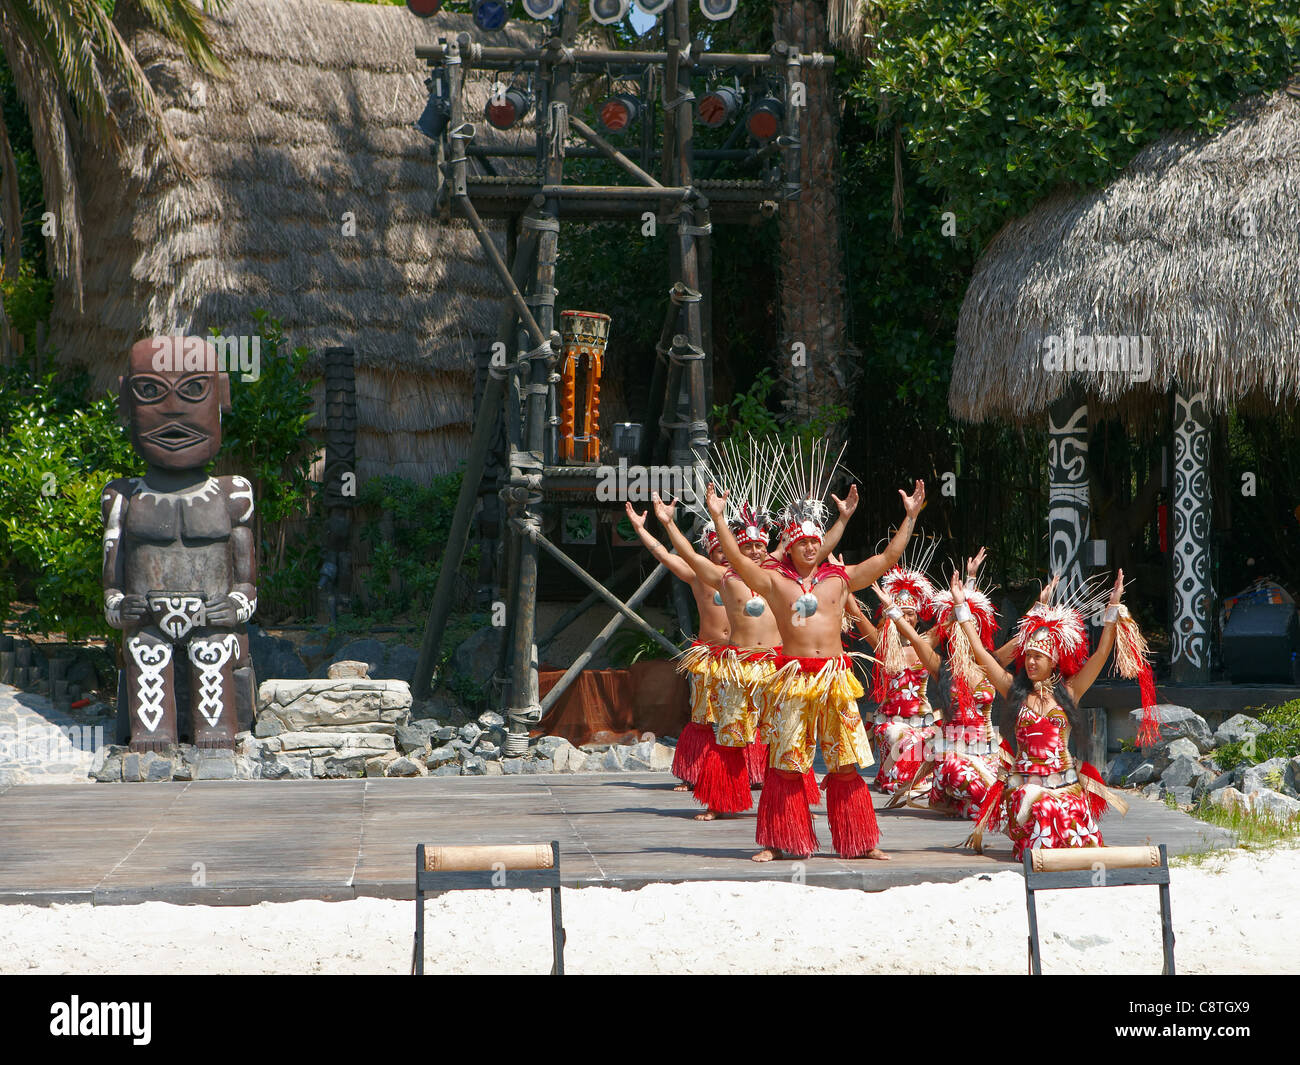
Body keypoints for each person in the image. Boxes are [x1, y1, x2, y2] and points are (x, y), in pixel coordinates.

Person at [707, 477, 926, 862]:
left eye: (814, 541)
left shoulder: (839, 580)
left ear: (822, 544)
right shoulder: (774, 582)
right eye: (802, 542)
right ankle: (779, 841)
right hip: (793, 679)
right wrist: (719, 519)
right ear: (790, 546)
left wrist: (909, 517)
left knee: (844, 763)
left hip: (834, 678)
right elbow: (738, 560)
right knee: (787, 763)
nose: (809, 547)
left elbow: (886, 560)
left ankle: (860, 841)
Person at [654, 489, 857, 816]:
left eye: (760, 545)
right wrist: (669, 524)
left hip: (778, 669)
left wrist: (843, 519)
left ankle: (796, 794)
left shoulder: (778, 574)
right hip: (739, 667)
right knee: (730, 736)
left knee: (789, 735)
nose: (754, 551)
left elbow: (819, 549)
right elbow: (688, 557)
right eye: (746, 546)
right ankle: (720, 803)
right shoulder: (724, 577)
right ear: (736, 548)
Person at [949, 570, 1133, 859]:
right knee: (1043, 807)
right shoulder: (1013, 689)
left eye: (1039, 657)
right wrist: (961, 609)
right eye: (1029, 656)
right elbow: (981, 654)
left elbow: (1099, 656)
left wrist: (1112, 609)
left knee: (1071, 809)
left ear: (1054, 660)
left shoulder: (1070, 691)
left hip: (1065, 783)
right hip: (1026, 787)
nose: (1031, 662)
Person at [873, 561, 1000, 818]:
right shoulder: (940, 667)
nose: (962, 637)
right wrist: (892, 609)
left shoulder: (992, 667)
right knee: (916, 744)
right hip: (941, 745)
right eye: (957, 634)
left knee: (1005, 785)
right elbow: (923, 637)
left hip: (985, 752)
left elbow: (1022, 641)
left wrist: (970, 582)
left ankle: (965, 802)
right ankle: (948, 791)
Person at [624, 501, 728, 790]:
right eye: (719, 550)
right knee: (702, 718)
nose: (725, 555)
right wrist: (640, 530)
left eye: (727, 549)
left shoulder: (747, 575)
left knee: (741, 718)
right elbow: (663, 555)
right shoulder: (698, 575)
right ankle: (696, 774)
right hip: (708, 655)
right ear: (709, 551)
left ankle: (743, 776)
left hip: (741, 657)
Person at [866, 564, 938, 795]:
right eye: (901, 613)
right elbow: (856, 616)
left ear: (917, 618)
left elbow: (956, 618)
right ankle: (899, 779)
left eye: (911, 614)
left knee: (942, 737)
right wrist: (843, 581)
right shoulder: (882, 642)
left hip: (923, 719)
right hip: (891, 720)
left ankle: (914, 779)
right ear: (890, 615)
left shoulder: (925, 642)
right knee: (902, 736)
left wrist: (970, 580)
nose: (905, 618)